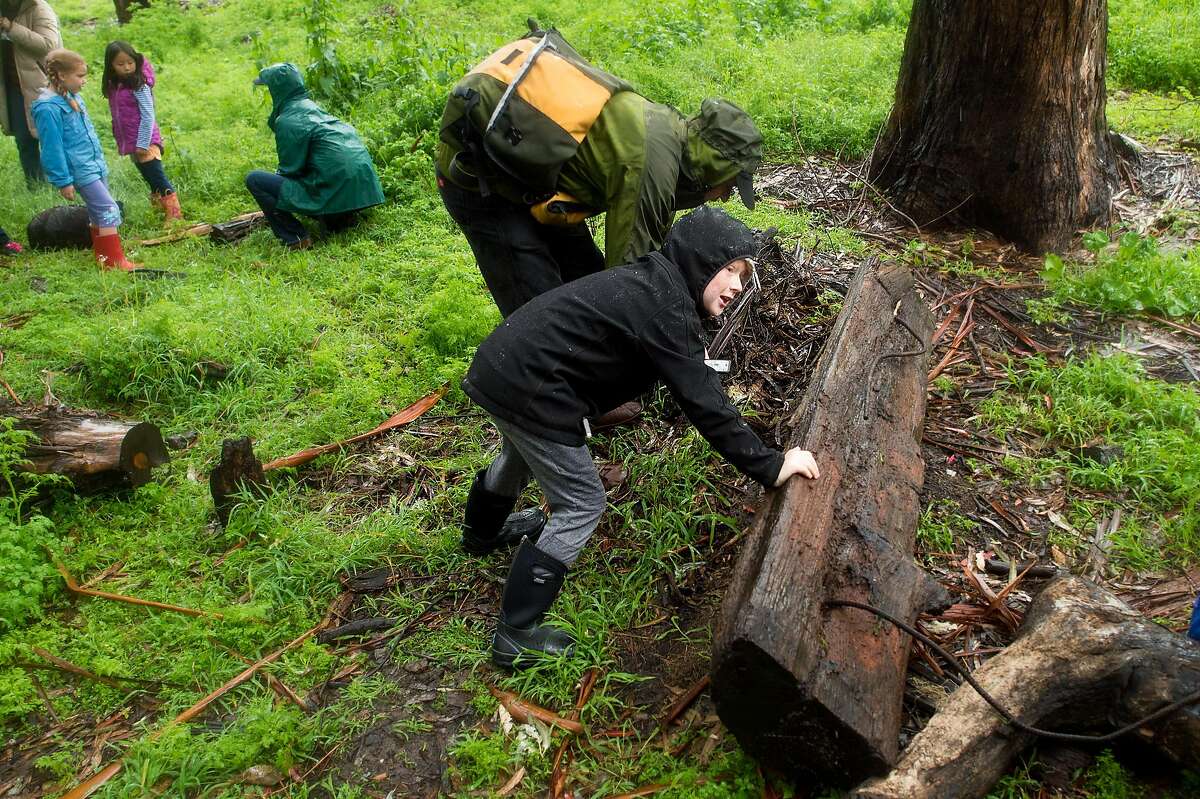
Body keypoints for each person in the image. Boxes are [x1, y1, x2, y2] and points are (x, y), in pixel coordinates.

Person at [460, 207, 821, 669]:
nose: (735, 285)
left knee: (520, 450)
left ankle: (482, 533)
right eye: (728, 269)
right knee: (582, 502)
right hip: (533, 388)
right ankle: (516, 633)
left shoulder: (656, 285)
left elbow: (685, 376)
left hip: (503, 367)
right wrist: (769, 465)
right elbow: (705, 403)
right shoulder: (667, 308)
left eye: (743, 275)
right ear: (698, 259)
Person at [436, 24, 764, 320]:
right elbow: (628, 280)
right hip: (484, 183)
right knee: (542, 311)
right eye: (730, 185)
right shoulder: (651, 166)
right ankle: (537, 380)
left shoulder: (667, 134)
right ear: (715, 164)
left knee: (584, 275)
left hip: (542, 184)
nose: (724, 197)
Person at [245, 63, 385, 250]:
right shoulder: (312, 107)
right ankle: (342, 219)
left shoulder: (288, 120)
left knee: (255, 180)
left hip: (334, 189)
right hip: (363, 192)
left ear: (276, 90)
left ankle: (296, 237)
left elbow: (290, 169)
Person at [32, 48, 140, 271]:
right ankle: (114, 261)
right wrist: (63, 181)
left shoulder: (71, 96)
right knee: (108, 208)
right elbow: (52, 147)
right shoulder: (48, 107)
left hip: (94, 164)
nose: (84, 81)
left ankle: (102, 257)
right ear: (62, 76)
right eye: (80, 76)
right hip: (79, 169)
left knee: (97, 211)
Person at [102, 40, 181, 225]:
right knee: (149, 177)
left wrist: (143, 143)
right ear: (111, 66)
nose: (127, 67)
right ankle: (159, 211)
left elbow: (148, 116)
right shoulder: (116, 86)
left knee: (157, 177)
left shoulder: (139, 85)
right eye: (120, 64)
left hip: (145, 142)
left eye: (130, 62)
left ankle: (175, 215)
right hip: (132, 142)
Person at [0, 0, 59, 185]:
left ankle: (64, 182)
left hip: (40, 84)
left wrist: (10, 27)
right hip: (11, 85)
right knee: (24, 138)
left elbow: (48, 44)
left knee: (51, 136)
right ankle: (35, 185)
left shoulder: (38, 8)